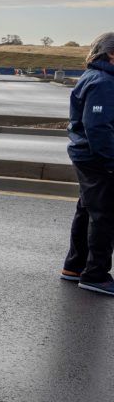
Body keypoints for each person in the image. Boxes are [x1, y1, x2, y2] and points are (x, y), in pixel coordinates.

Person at [63, 32, 114, 296]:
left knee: (87, 210)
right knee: (104, 215)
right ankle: (96, 275)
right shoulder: (104, 82)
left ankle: (74, 266)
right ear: (111, 54)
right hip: (96, 158)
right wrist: (111, 161)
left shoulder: (93, 76)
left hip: (85, 155)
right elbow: (98, 128)